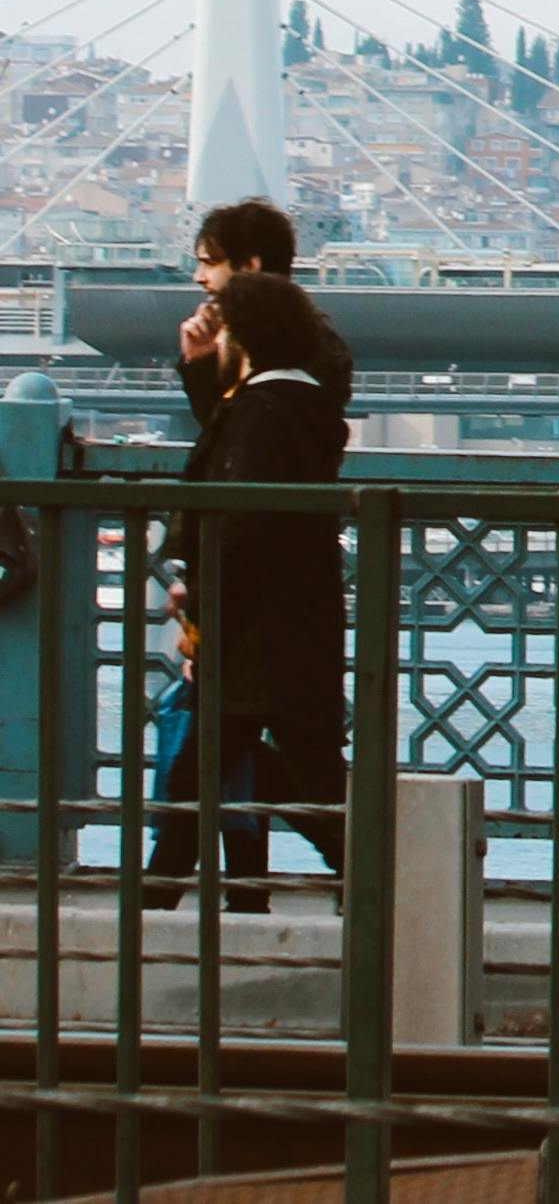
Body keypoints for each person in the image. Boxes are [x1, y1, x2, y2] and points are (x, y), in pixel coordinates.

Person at [144, 271, 351, 911]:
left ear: (246, 338)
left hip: (250, 635)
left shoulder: (260, 412)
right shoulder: (308, 405)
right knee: (299, 775)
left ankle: (145, 919)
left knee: (199, 782)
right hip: (297, 626)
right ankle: (374, 881)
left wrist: (198, 600)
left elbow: (238, 521)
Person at [178, 198, 353, 423]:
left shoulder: (308, 348)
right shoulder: (314, 340)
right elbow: (223, 432)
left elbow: (243, 435)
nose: (199, 277)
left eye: (210, 263)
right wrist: (201, 361)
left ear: (250, 266)